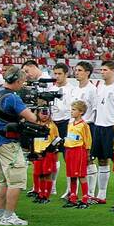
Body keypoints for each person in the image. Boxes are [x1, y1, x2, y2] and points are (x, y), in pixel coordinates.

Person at [0, 68, 38, 226]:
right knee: (16, 180)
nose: (22, 86)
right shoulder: (13, 98)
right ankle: (8, 216)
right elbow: (32, 118)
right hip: (8, 142)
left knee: (3, 180)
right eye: (21, 82)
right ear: (17, 81)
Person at [90, 60, 114, 205]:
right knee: (101, 160)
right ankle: (102, 194)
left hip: (113, 127)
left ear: (113, 71)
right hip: (99, 126)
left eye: (105, 70)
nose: (102, 72)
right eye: (101, 70)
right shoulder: (99, 86)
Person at [48, 63, 72, 199]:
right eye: (55, 74)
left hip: (65, 124)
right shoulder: (51, 88)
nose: (56, 76)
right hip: (53, 125)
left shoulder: (71, 90)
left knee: (67, 156)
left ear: (66, 74)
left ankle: (70, 189)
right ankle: (52, 186)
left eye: (59, 74)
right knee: (51, 155)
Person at [63, 100, 93, 207]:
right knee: (72, 175)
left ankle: (85, 197)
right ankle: (73, 197)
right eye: (71, 109)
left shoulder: (84, 125)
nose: (71, 111)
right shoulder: (70, 124)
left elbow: (87, 140)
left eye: (74, 110)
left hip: (79, 151)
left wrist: (88, 153)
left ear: (81, 112)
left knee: (81, 174)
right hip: (69, 150)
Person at [30, 109, 60, 205]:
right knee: (40, 175)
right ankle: (41, 193)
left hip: (47, 154)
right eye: (42, 114)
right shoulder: (36, 125)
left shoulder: (52, 126)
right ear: (38, 114)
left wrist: (53, 151)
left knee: (47, 175)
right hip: (38, 153)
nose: (44, 116)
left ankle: (46, 196)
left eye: (46, 114)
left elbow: (57, 139)